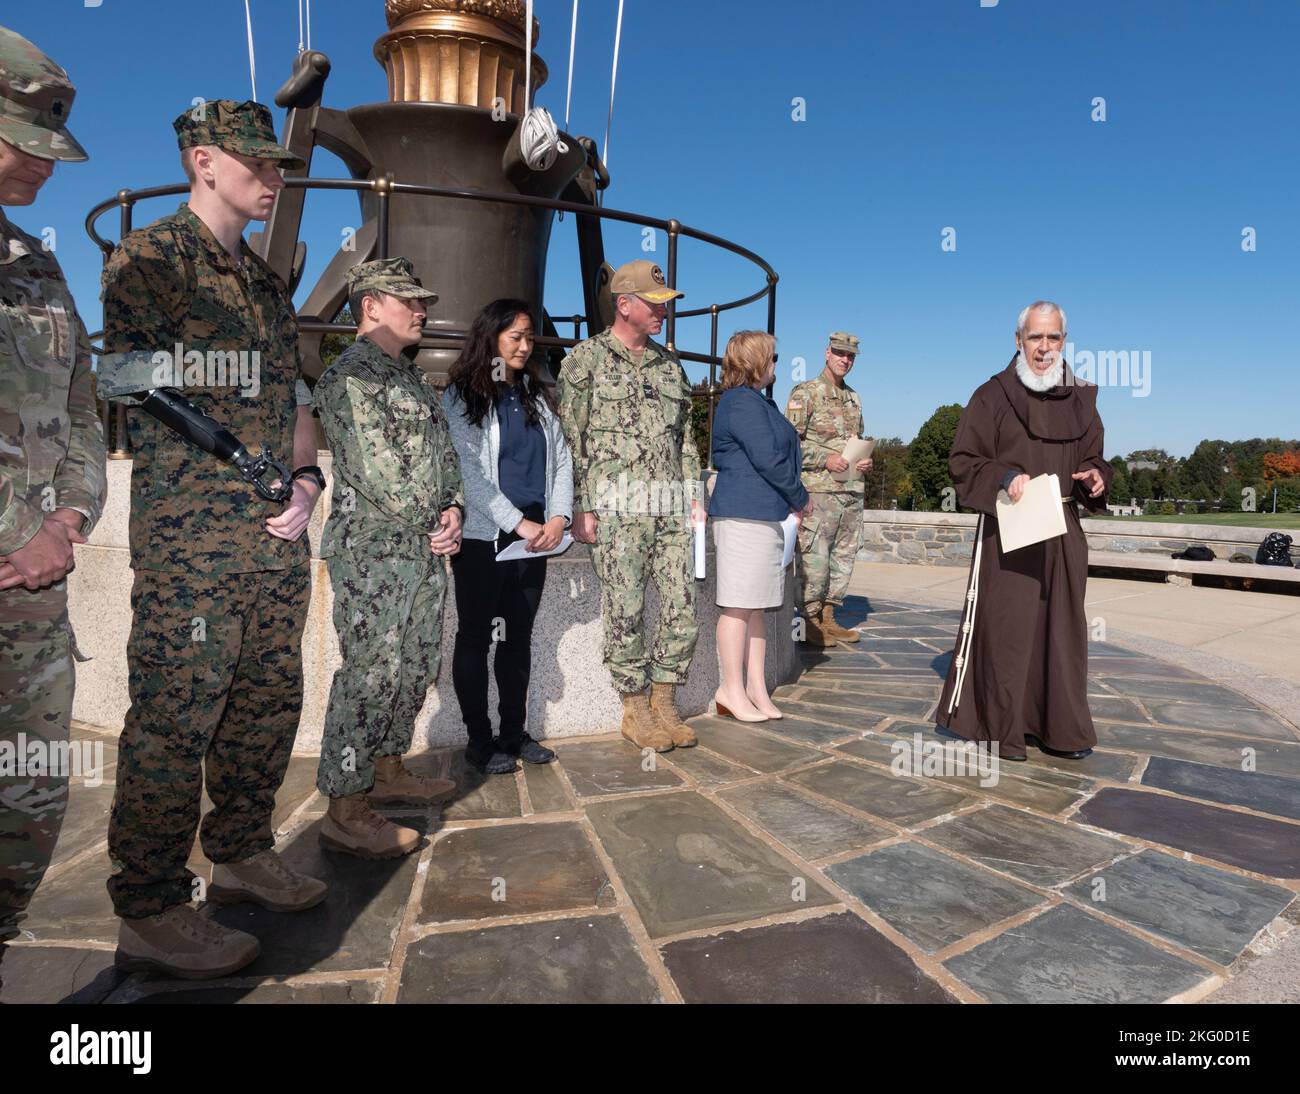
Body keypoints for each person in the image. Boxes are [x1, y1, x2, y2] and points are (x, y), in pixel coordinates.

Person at [98, 99, 326, 980]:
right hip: (193, 535)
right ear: (204, 161)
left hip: (275, 532)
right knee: (174, 714)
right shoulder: (151, 256)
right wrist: (231, 451)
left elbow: (300, 406)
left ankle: (240, 851)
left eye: (277, 167)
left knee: (268, 698)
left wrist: (307, 481)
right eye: (258, 165)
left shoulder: (268, 285)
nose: (274, 179)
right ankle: (150, 905)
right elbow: (123, 374)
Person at [0, 26, 105, 992]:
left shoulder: (34, 266)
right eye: (19, 136)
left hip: (31, 596)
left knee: (27, 799)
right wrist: (12, 527)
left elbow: (81, 404)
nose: (39, 161)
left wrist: (69, 518)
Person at [313, 257, 462, 856]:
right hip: (374, 555)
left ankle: (387, 768)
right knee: (370, 673)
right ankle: (345, 806)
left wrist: (453, 509)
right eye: (410, 302)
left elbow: (445, 458)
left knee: (413, 664)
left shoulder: (408, 377)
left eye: (422, 302)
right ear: (370, 306)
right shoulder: (349, 376)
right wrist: (435, 520)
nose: (422, 311)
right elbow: (380, 471)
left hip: (422, 550)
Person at [934, 301, 1112, 761]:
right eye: (1035, 337)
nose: (1044, 347)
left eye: (1053, 338)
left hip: (1064, 531)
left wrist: (1096, 476)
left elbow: (1096, 456)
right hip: (1008, 532)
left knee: (1062, 632)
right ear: (1018, 341)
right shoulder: (991, 396)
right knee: (1009, 631)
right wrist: (1002, 475)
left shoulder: (1084, 396)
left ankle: (1061, 730)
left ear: (1064, 342)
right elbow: (964, 460)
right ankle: (1002, 729)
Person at [556, 260, 703, 752]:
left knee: (682, 607)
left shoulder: (670, 367)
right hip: (616, 510)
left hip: (669, 508)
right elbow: (570, 441)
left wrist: (692, 497)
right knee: (626, 610)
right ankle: (634, 709)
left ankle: (665, 701)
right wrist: (580, 505)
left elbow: (684, 440)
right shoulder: (585, 361)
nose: (664, 311)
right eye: (655, 302)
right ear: (624, 304)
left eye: (666, 303)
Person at [444, 299, 572, 775]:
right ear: (491, 336)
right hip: (484, 538)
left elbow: (561, 461)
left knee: (517, 637)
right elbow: (468, 472)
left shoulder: (536, 395)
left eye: (529, 337)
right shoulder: (463, 395)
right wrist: (516, 521)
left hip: (535, 539)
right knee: (476, 637)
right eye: (514, 336)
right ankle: (480, 741)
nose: (524, 345)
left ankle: (513, 732)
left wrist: (558, 517)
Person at [708, 331, 810, 722]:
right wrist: (801, 497)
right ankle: (729, 689)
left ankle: (755, 689)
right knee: (737, 607)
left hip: (763, 516)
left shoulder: (754, 402)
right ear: (755, 362)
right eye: (772, 358)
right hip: (744, 516)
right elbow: (768, 458)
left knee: (756, 609)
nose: (776, 364)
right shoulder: (742, 404)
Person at [786, 331, 873, 645]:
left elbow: (855, 442)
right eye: (839, 353)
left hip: (851, 491)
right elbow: (789, 445)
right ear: (827, 353)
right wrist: (825, 458)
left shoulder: (854, 398)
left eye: (850, 356)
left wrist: (863, 461)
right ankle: (808, 620)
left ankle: (828, 616)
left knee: (844, 557)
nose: (845, 360)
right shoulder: (805, 393)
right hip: (819, 492)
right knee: (816, 558)